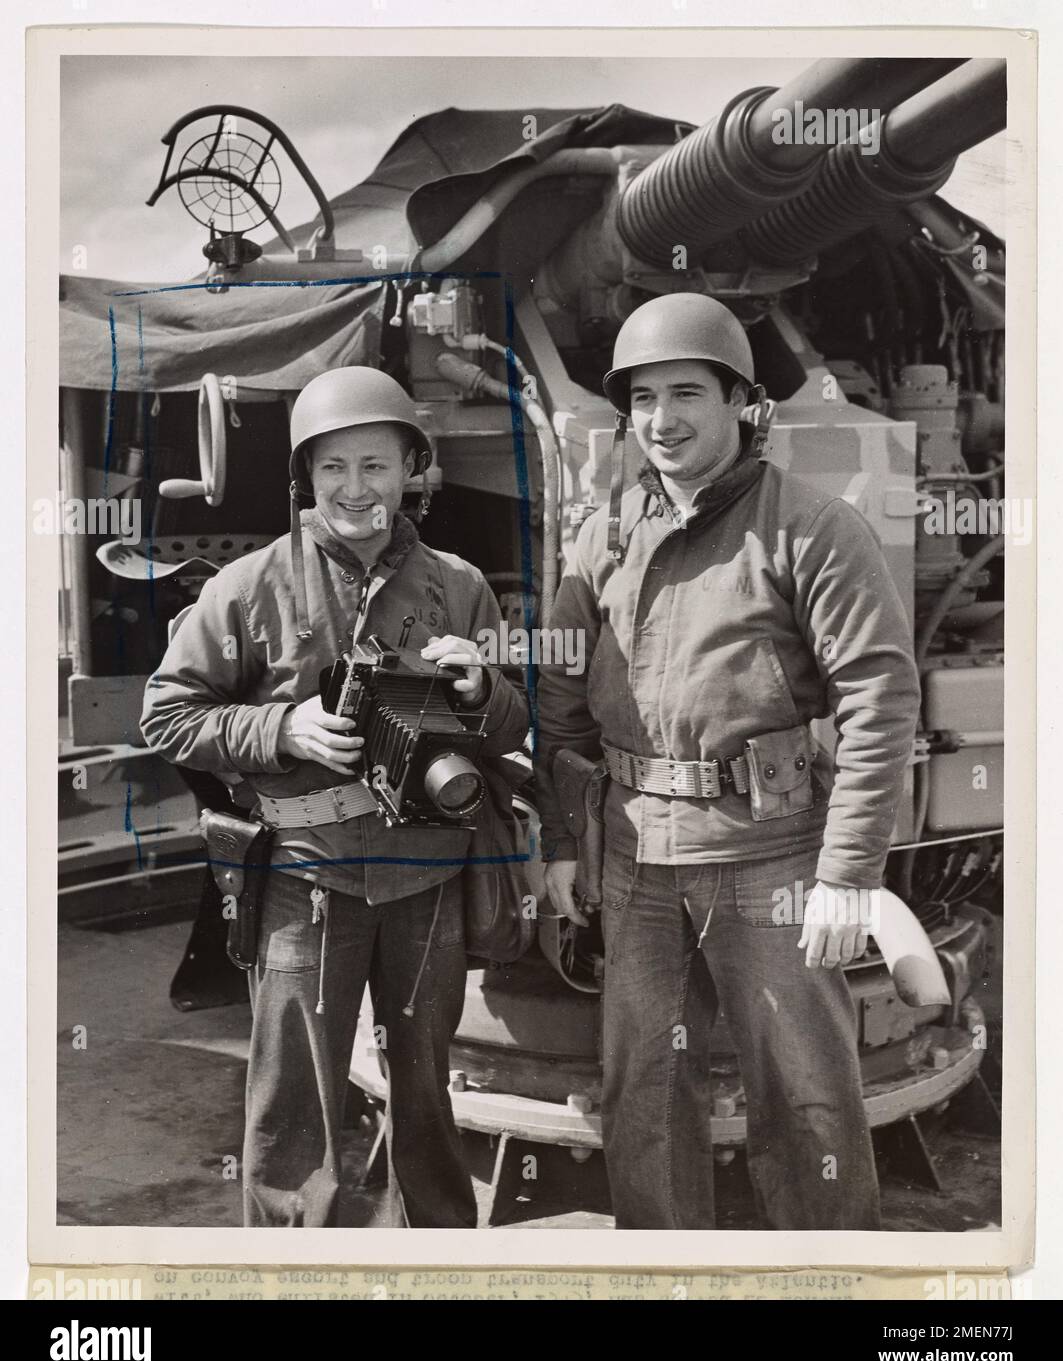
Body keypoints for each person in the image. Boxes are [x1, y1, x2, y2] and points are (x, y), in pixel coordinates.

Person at [536, 293, 921, 1230]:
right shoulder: (602, 535)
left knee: (806, 1099)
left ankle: (833, 1281)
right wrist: (559, 842)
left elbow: (880, 702)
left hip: (773, 857)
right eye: (642, 400)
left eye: (686, 394)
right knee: (643, 1096)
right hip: (635, 861)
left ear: (742, 403)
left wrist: (847, 875)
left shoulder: (813, 530)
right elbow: (556, 703)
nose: (661, 421)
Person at [142, 366, 528, 1227]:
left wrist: (479, 694)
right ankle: (291, 1267)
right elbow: (166, 716)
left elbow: (509, 729)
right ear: (305, 478)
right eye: (334, 469)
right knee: (292, 1114)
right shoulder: (248, 587)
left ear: (410, 472)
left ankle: (434, 1261)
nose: (356, 489)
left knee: (428, 1097)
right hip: (303, 883)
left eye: (376, 466)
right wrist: (282, 731)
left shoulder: (457, 584)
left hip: (426, 882)